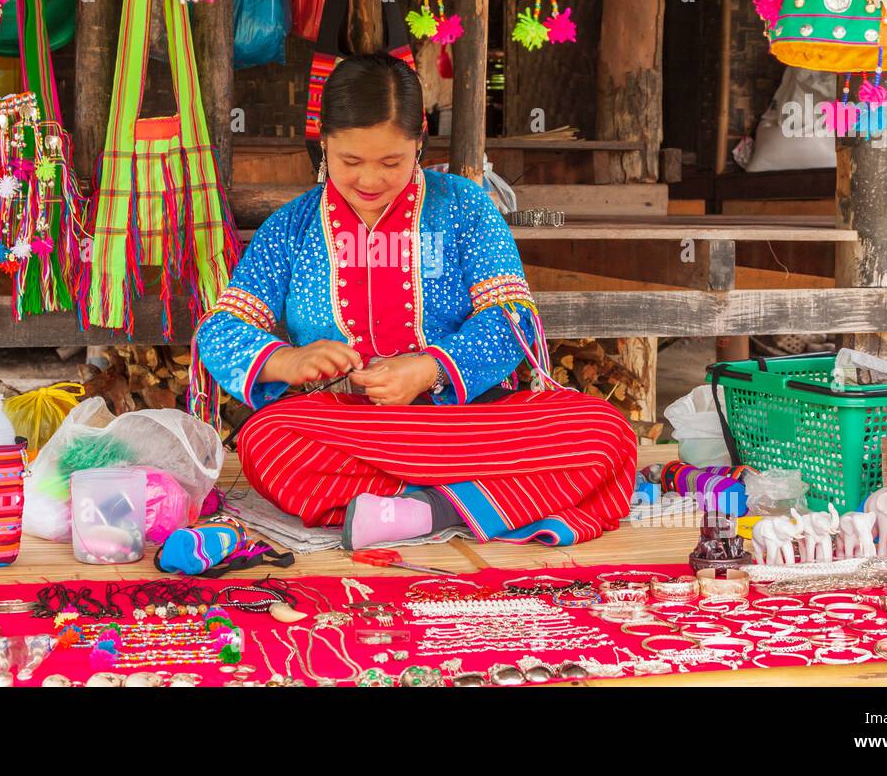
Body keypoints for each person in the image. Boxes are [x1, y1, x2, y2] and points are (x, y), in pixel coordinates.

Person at [193, 53, 637, 549]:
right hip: (350, 428)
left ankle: (425, 509)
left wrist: (429, 371)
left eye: (391, 162)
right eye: (350, 161)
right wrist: (285, 359)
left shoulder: (465, 206)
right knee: (267, 442)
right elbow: (221, 328)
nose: (369, 180)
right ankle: (489, 502)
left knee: (606, 430)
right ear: (324, 143)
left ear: (420, 143)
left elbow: (513, 320)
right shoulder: (292, 227)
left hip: (467, 423)